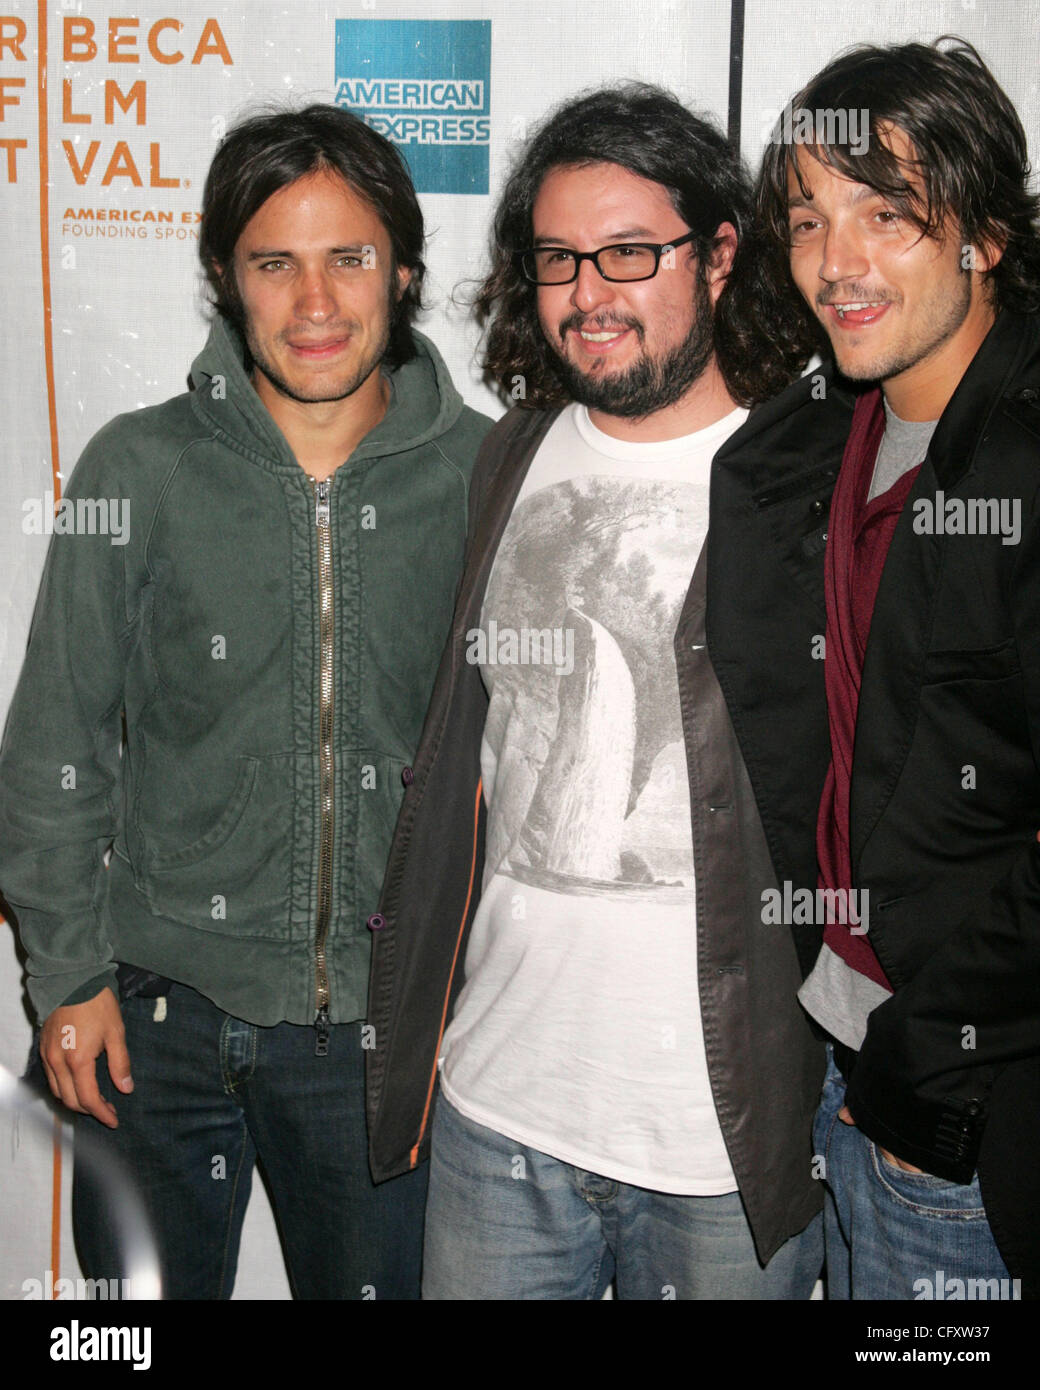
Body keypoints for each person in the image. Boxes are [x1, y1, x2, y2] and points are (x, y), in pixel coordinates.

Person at [364, 83, 846, 1300]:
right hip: (495, 1113)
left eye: (630, 251)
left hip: (717, 1144)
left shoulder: (809, 475)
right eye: (559, 259)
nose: (590, 293)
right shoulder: (508, 453)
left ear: (722, 251)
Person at [0, 103, 490, 1299]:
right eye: (275, 263)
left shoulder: (486, 475)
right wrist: (65, 980)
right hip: (150, 1022)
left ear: (405, 270)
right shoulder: (139, 465)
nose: (313, 304)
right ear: (229, 278)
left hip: (379, 1039)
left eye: (349, 259)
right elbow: (55, 747)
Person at [712, 36, 1040, 1299]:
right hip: (832, 1071)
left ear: (985, 235)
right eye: (807, 219)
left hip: (964, 1120)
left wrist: (928, 1064)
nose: (835, 261)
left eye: (886, 214)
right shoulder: (814, 436)